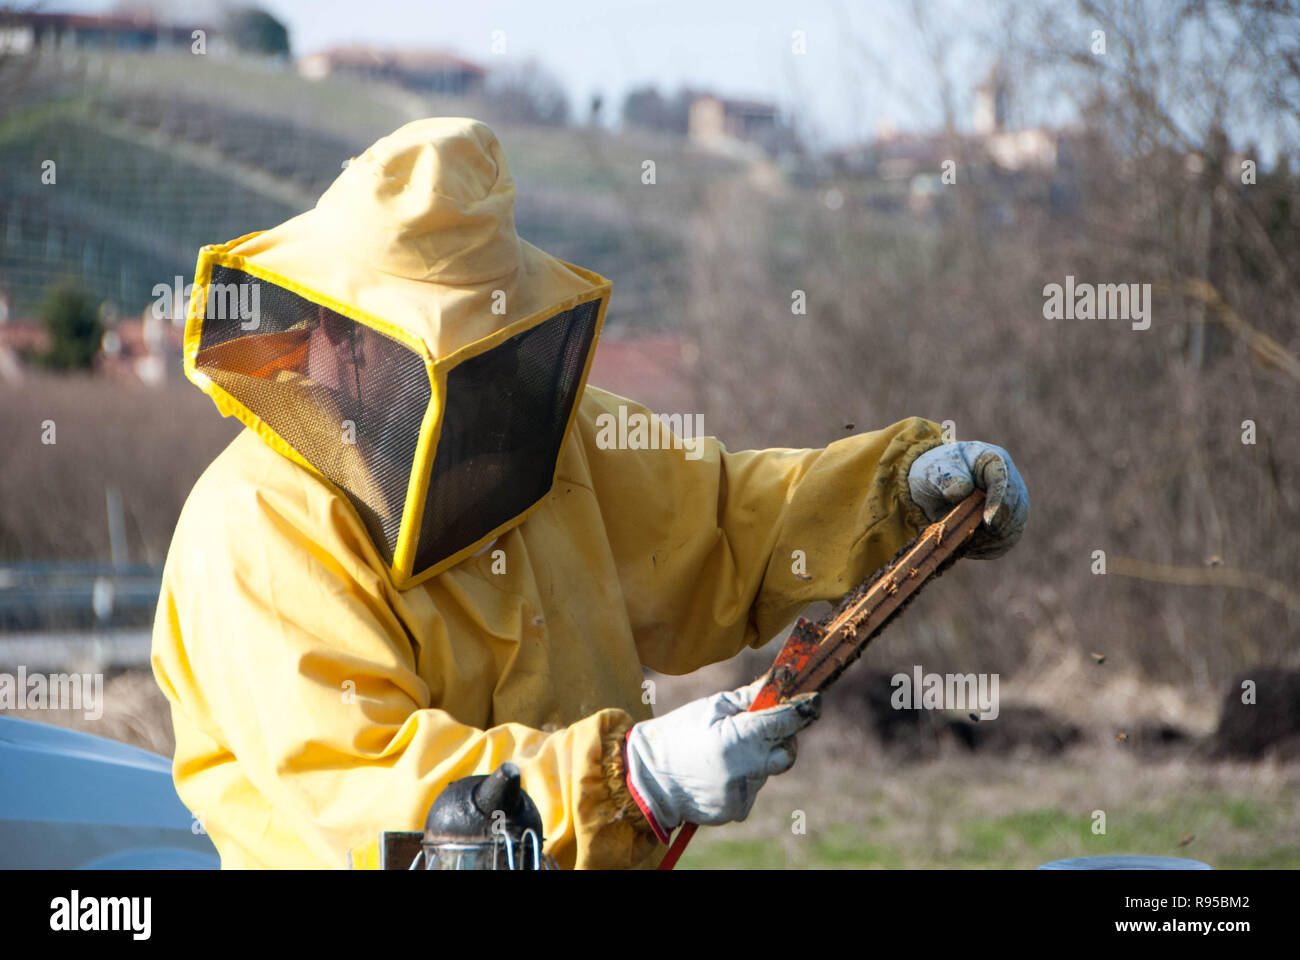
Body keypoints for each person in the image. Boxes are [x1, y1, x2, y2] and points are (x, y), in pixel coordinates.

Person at [151, 117, 1028, 870]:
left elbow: (721, 522)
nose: (493, 378)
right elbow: (373, 792)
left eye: (501, 340)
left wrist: (897, 489)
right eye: (463, 350)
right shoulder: (256, 528)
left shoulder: (543, 438)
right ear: (342, 328)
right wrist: (623, 780)